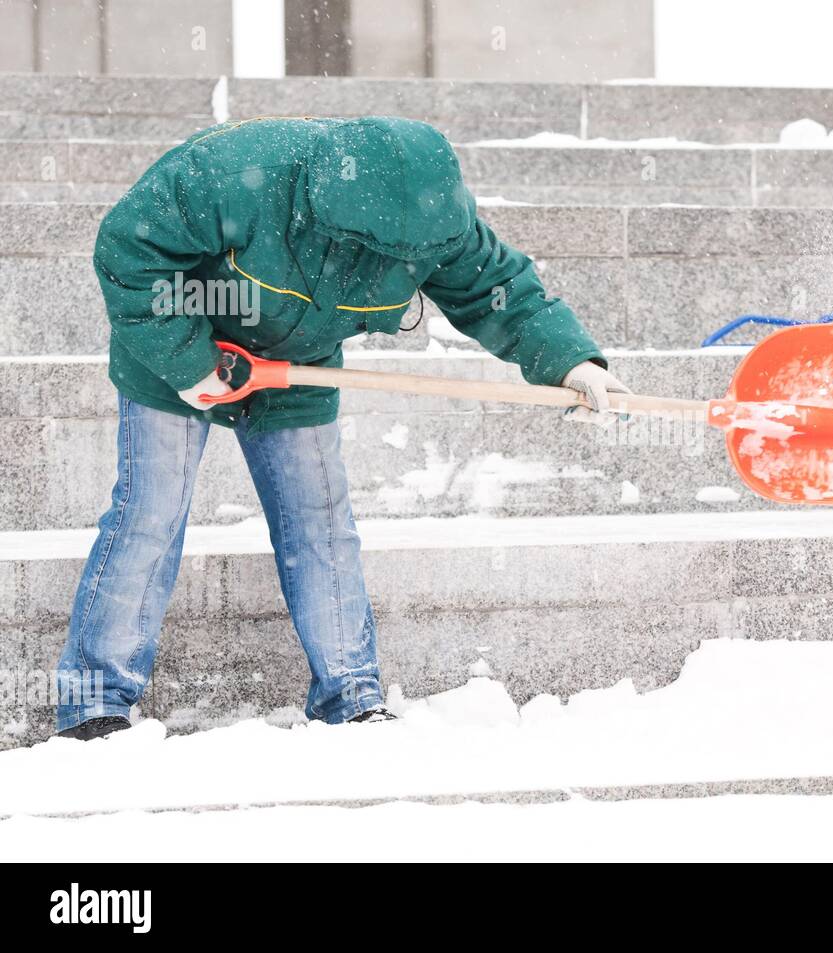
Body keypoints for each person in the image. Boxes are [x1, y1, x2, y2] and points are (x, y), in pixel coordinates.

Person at [54, 115, 627, 740]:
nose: (402, 264)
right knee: (149, 518)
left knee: (321, 525)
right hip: (174, 350)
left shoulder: (433, 217)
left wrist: (572, 361)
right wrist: (194, 364)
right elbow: (128, 250)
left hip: (298, 368)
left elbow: (499, 289)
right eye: (381, 249)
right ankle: (94, 705)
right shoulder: (233, 175)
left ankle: (350, 693)